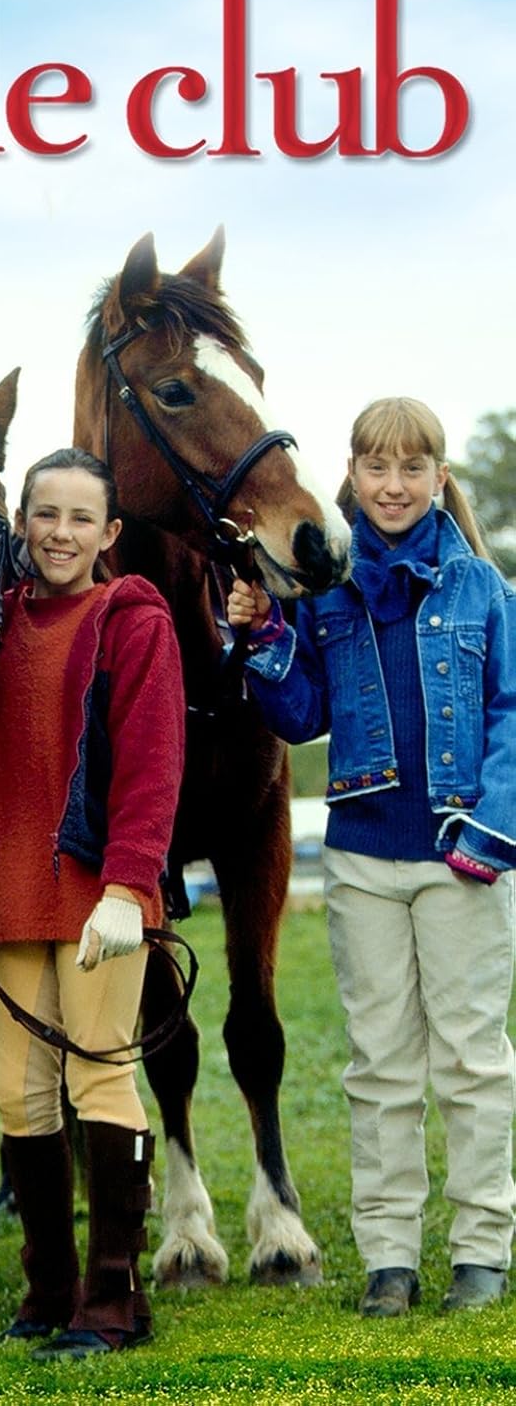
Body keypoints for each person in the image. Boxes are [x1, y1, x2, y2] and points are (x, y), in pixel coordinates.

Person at [226, 397, 516, 1318]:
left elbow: (513, 717)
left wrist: (491, 832)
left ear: (438, 479)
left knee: (472, 1060)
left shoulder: (486, 593)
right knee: (379, 1063)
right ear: (350, 477)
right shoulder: (328, 593)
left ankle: (481, 1252)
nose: (393, 486)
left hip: (462, 857)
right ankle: (390, 1257)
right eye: (375, 467)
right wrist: (264, 635)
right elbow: (302, 714)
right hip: (361, 861)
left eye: (412, 468)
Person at [0, 446, 184, 1361]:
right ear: (22, 522)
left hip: (99, 889)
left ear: (108, 533)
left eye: (78, 519)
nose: (58, 534)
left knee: (99, 1073)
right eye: (43, 514)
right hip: (11, 884)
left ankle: (113, 1299)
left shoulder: (130, 618)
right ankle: (48, 1288)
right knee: (18, 1097)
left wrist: (129, 886)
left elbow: (151, 763)